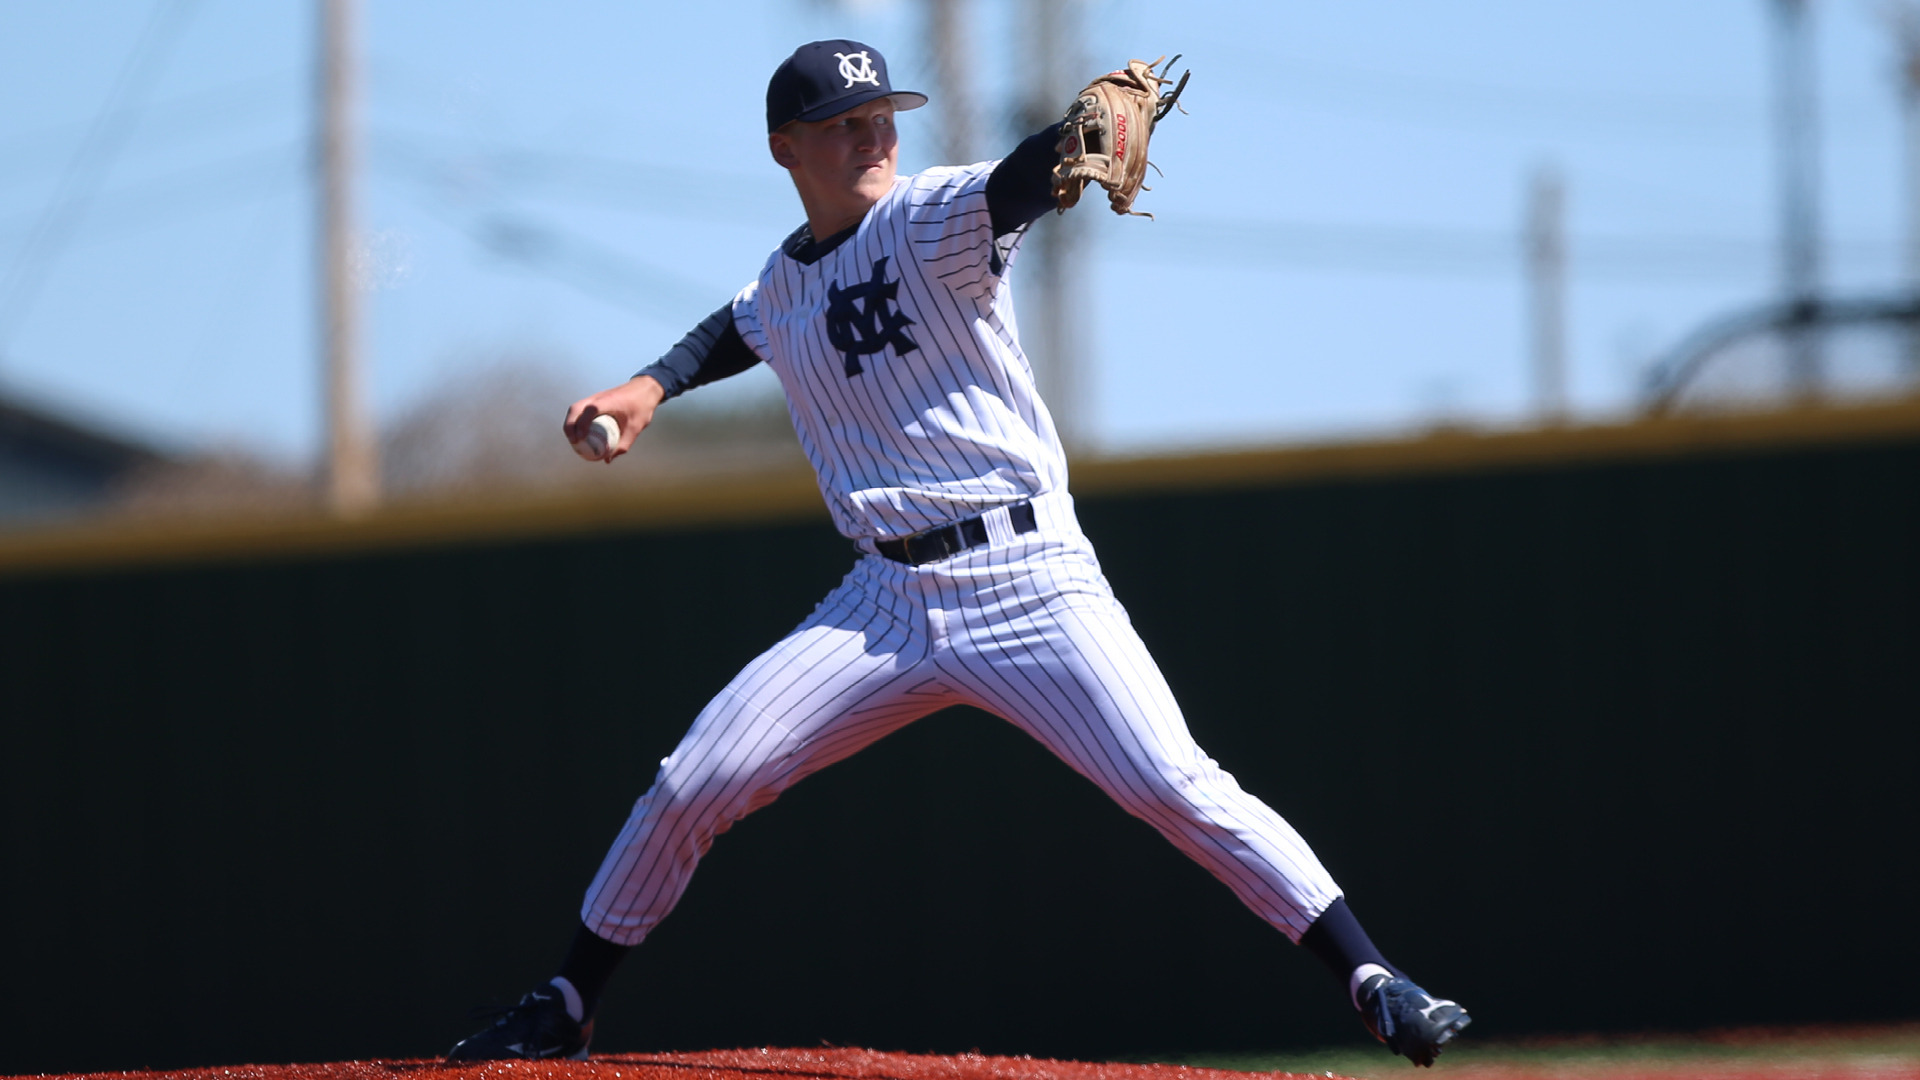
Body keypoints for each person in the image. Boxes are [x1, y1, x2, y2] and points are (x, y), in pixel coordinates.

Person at [446, 39, 1471, 1069]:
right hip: (883, 601)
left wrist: (1067, 139)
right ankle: (567, 1003)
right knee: (691, 784)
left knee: (1171, 781)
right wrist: (650, 386)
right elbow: (746, 323)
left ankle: (1374, 979)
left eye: (881, 116)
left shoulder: (926, 218)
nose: (873, 136)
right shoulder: (785, 280)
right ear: (785, 148)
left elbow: (1014, 186)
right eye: (844, 124)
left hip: (1029, 578)